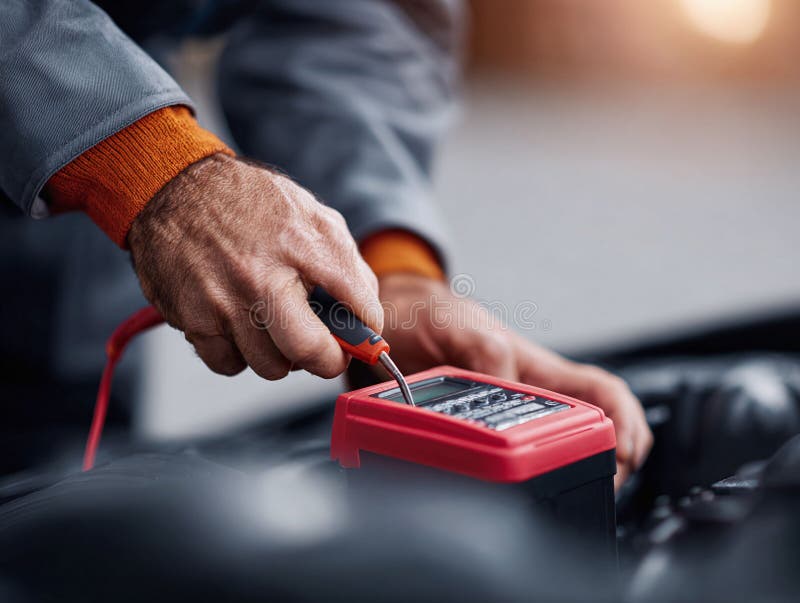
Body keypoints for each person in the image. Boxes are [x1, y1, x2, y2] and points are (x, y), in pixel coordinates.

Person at [0, 0, 651, 485]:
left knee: (57, 505)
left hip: (71, 232)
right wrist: (148, 165)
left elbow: (359, 17)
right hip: (90, 154)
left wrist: (390, 271)